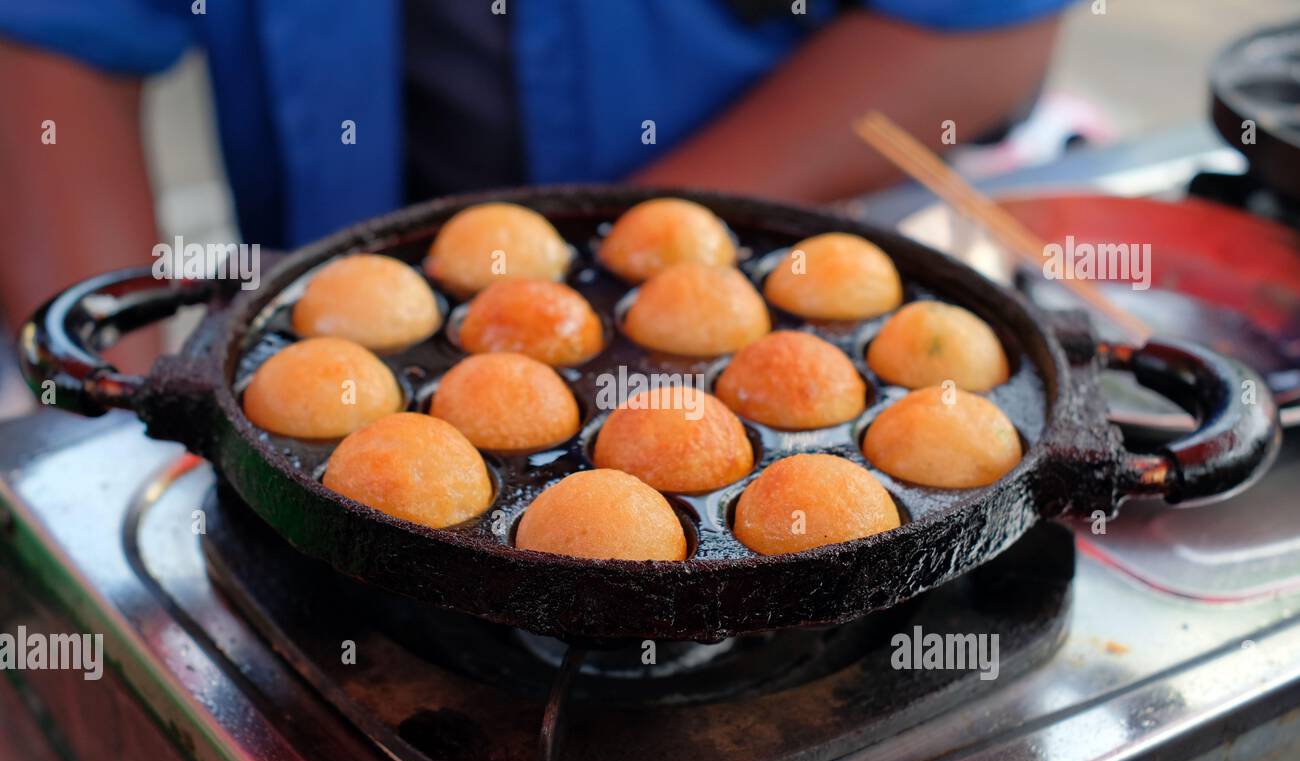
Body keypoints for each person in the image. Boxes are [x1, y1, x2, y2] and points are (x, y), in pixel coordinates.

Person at [0, 0, 1069, 372]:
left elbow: (982, 29)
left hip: (780, 294)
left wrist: (620, 263)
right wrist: (120, 405)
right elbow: (47, 41)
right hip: (338, 329)